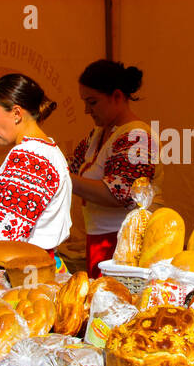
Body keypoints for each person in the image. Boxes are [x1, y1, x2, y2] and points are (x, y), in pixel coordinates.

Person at [67, 60, 157, 277]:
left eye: (93, 102)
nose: (87, 110)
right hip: (99, 238)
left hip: (124, 242)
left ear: (117, 96)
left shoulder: (138, 137)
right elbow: (70, 167)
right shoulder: (97, 135)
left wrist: (60, 177)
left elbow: (119, 194)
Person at [0, 74, 71, 253]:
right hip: (37, 264)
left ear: (16, 113)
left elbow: (5, 234)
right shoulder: (48, 150)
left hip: (24, 270)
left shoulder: (30, 156)